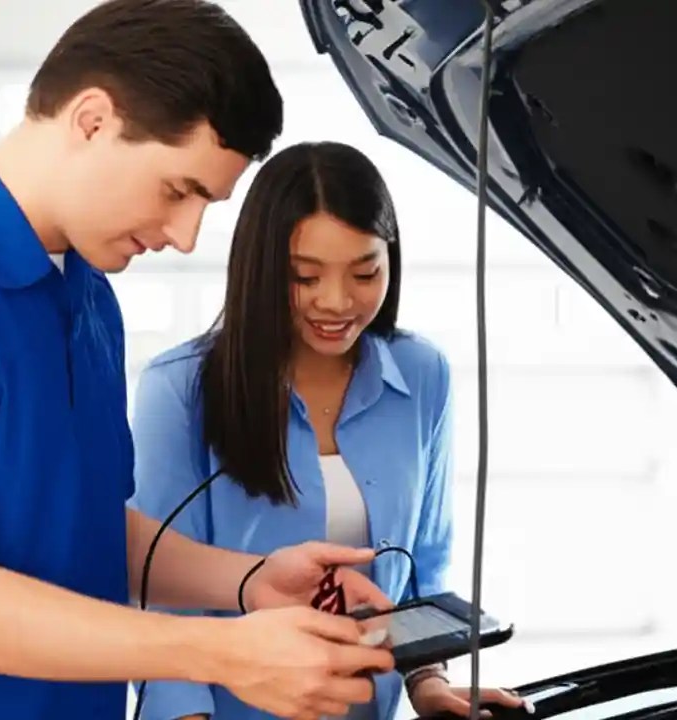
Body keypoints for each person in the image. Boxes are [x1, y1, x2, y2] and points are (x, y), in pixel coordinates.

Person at [0, 3, 397, 720]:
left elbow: (82, 527)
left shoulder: (86, 297)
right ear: (91, 120)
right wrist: (220, 653)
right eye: (179, 191)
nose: (186, 235)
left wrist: (249, 580)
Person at [128, 142, 524, 720]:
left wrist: (430, 684)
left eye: (365, 272)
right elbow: (158, 589)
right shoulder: (179, 388)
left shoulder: (422, 374)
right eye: (304, 277)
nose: (336, 302)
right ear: (259, 271)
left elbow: (422, 566)